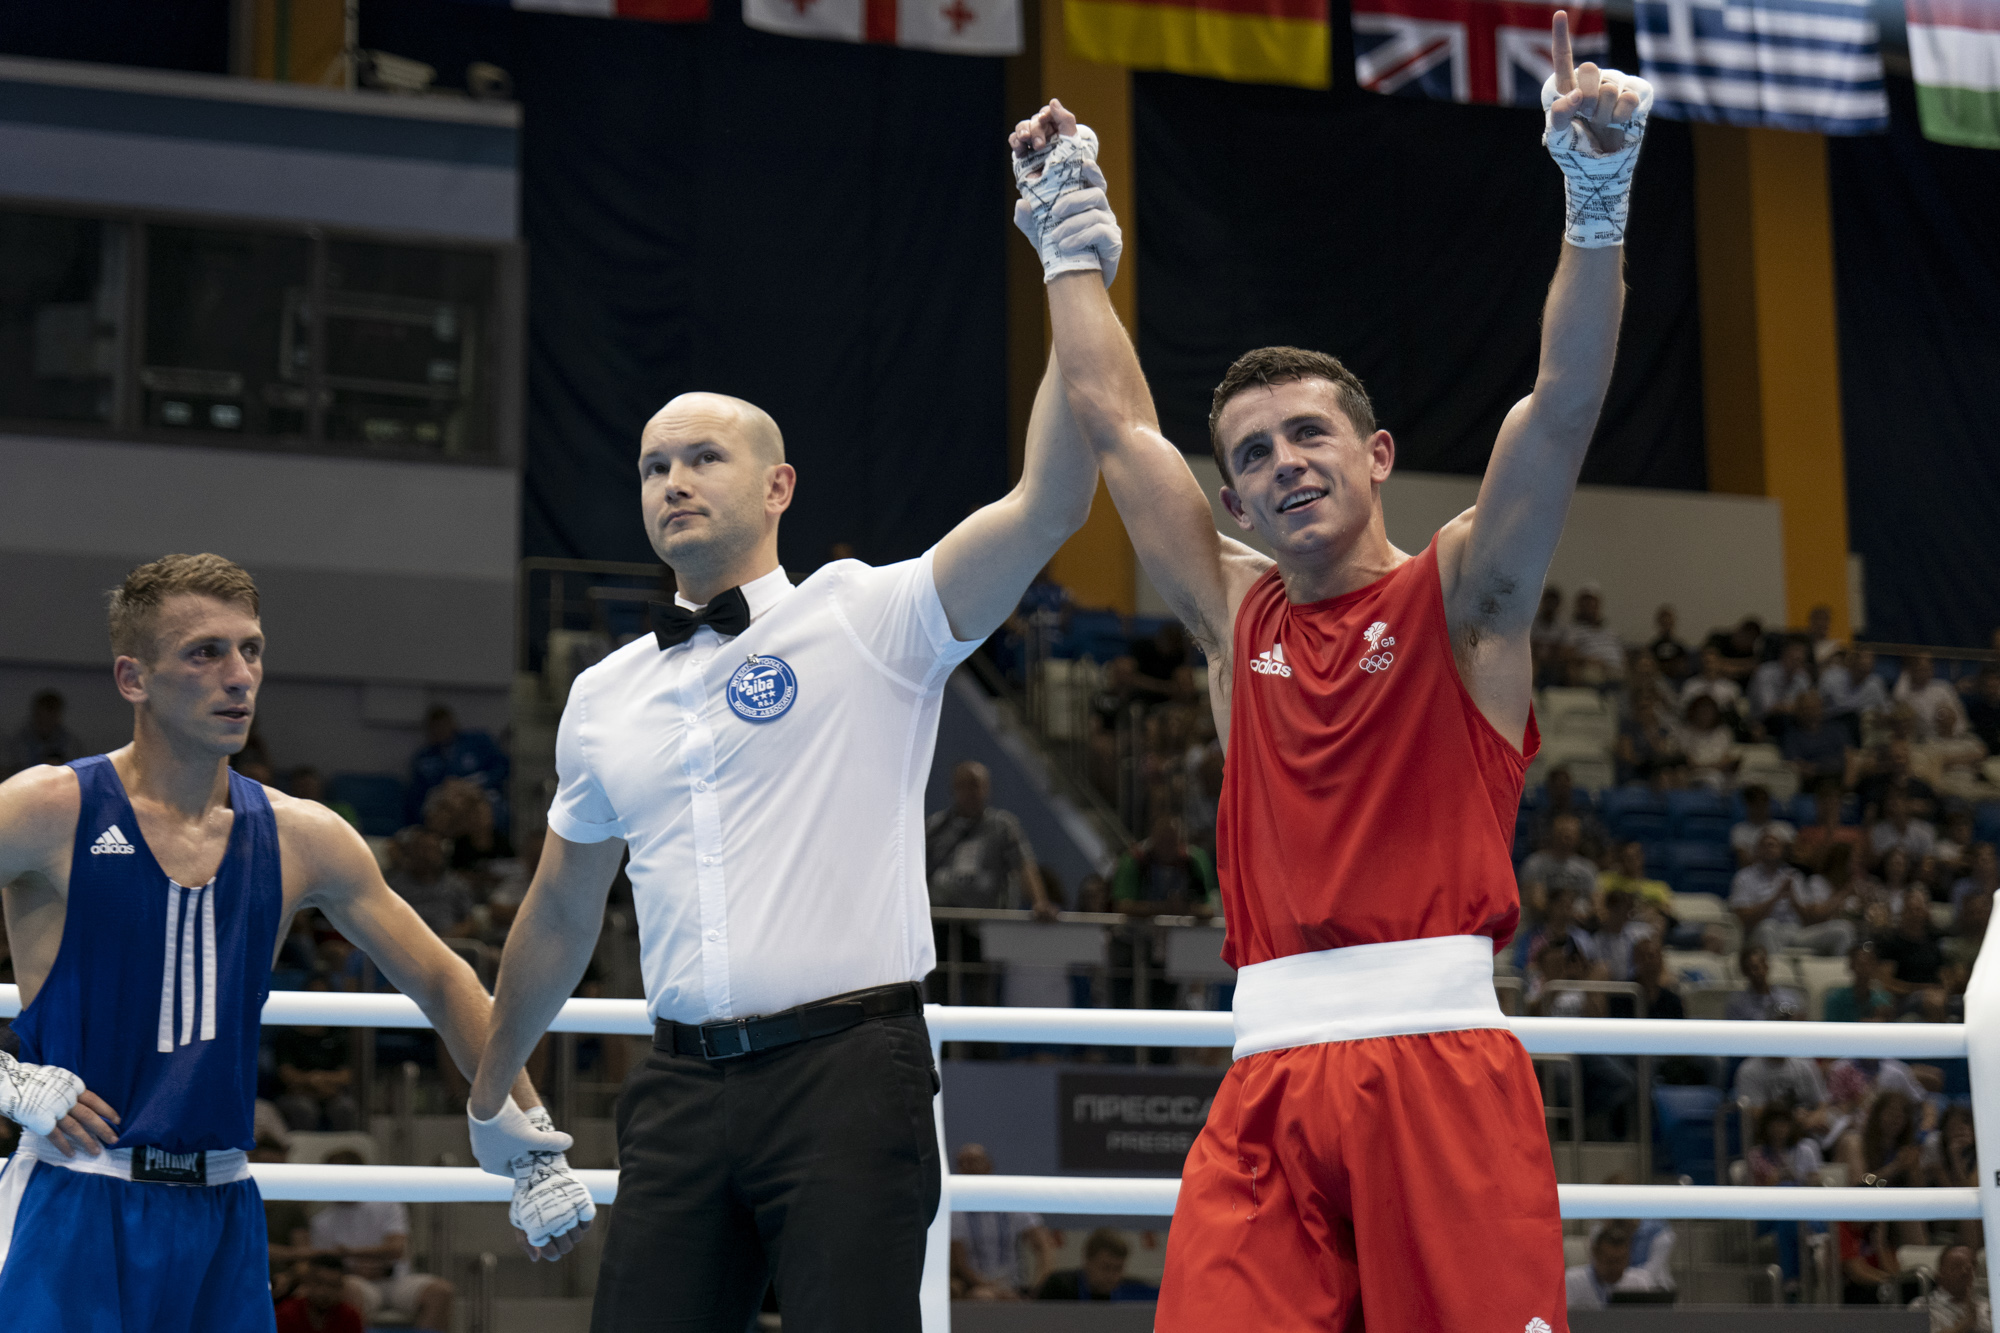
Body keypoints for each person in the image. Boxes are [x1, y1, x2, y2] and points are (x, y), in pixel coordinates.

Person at [1018, 33, 1654, 1328]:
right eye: (1253, 453)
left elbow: (1564, 401)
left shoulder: (1466, 601)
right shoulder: (1233, 615)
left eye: (1309, 433)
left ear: (1374, 455)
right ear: (1237, 493)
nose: (1285, 461)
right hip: (1266, 1084)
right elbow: (1116, 426)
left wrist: (1596, 200)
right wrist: (1067, 229)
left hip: (1440, 1074)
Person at [467, 351, 1100, 1328]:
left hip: (845, 1073)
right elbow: (559, 907)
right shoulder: (601, 697)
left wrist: (1069, 279)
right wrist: (490, 1089)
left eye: (702, 457)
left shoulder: (865, 617)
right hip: (677, 1089)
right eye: (652, 465)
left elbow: (1047, 504)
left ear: (777, 486)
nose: (671, 480)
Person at [0, 553, 588, 1331]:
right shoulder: (48, 809)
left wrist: (532, 1136)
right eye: (205, 652)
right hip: (73, 1199)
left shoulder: (303, 835)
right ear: (132, 678)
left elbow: (446, 980)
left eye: (252, 648)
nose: (239, 675)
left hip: (223, 1215)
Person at [308, 1150, 454, 1331]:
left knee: (440, 1291)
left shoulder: (388, 1204)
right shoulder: (322, 1221)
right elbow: (326, 1265)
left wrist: (349, 1253)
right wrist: (358, 1265)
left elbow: (396, 1249)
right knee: (346, 1289)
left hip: (396, 1279)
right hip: (356, 1281)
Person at [926, 761, 1056, 916]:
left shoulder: (1002, 826)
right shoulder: (935, 826)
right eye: (963, 785)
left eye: (975, 785)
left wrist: (1039, 903)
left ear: (986, 788)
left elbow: (1024, 865)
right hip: (941, 919)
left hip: (988, 922)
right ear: (953, 789)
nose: (969, 792)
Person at [948, 1144, 1056, 1298]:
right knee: (981, 1297)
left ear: (988, 1166)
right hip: (976, 1288)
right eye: (961, 1163)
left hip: (1016, 1285)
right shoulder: (955, 1211)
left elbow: (1044, 1246)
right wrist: (990, 1288)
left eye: (973, 1161)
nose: (968, 1167)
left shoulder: (1011, 1200)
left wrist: (1038, 1288)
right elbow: (960, 1263)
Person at [1731, 830, 1854, 957]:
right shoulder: (1744, 877)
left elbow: (1810, 919)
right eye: (1765, 845)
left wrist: (1794, 899)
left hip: (1796, 931)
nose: (1769, 849)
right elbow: (1743, 918)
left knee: (1842, 929)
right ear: (1757, 849)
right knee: (1767, 927)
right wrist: (1776, 896)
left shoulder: (1794, 876)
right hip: (1762, 933)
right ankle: (1777, 974)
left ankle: (1843, 975)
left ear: (1782, 851)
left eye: (1773, 845)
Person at [406, 704, 510, 831]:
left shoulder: (478, 742)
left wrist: (473, 784)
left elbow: (502, 767)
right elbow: (418, 796)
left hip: (479, 792)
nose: (440, 730)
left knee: (485, 809)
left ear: (453, 723)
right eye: (435, 727)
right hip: (443, 802)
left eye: (443, 725)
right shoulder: (423, 758)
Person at [1518, 812, 1601, 922]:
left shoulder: (1587, 868)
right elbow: (1535, 901)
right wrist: (1562, 914)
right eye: (1562, 835)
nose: (1566, 840)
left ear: (1578, 837)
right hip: (1542, 925)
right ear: (1553, 835)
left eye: (1571, 836)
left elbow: (1597, 905)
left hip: (1580, 926)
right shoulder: (1535, 863)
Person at [1034, 1229, 1159, 1301]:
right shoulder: (1058, 1287)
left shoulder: (1135, 1291)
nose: (1112, 1276)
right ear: (1087, 1261)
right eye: (1105, 1267)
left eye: (1118, 1268)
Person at [1564, 1220, 1662, 1309]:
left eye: (1620, 1261)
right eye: (1610, 1261)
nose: (1615, 1268)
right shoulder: (1571, 1281)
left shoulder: (1640, 1282)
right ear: (1595, 1255)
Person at [275, 1255, 366, 1333]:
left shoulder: (350, 1318)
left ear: (341, 1288)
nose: (325, 1291)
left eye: (332, 1285)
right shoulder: (286, 1314)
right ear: (307, 1282)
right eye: (319, 1283)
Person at [5, 688, 85, 776]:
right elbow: (7, 773)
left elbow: (79, 774)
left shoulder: (71, 744)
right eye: (42, 717)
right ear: (35, 714)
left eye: (51, 717)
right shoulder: (17, 742)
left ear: (58, 716)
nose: (46, 721)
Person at [1913, 1244, 1992, 1333]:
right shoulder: (1922, 1307)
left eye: (1970, 1267)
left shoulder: (1986, 1307)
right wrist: (1964, 1325)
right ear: (1939, 1276)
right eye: (1957, 1266)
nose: (1965, 1272)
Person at [1783, 690, 1853, 787]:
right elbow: (1793, 763)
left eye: (1814, 708)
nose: (1811, 712)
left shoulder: (1836, 728)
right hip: (1813, 780)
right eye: (1806, 708)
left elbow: (1848, 754)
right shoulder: (1792, 736)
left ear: (1822, 708)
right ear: (1798, 711)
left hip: (1839, 774)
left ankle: (1847, 793)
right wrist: (1815, 769)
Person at [1747, 639, 1814, 739]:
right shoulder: (1765, 672)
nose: (1797, 664)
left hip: (1792, 719)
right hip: (1761, 721)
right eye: (1794, 659)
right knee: (1785, 722)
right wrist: (1798, 708)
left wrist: (1799, 708)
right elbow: (1769, 708)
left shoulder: (1802, 677)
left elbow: (1809, 704)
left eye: (1800, 661)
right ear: (1784, 657)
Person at [1895, 653, 1966, 742]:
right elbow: (1898, 698)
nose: (1926, 673)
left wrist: (1953, 733)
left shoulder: (1943, 687)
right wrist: (1906, 671)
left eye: (1928, 669)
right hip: (1928, 741)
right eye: (1921, 670)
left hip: (1954, 738)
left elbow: (1960, 720)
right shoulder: (1907, 694)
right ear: (1911, 670)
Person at [1724, 945, 1806, 1022]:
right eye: (1748, 969)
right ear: (1744, 972)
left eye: (1756, 968)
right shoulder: (1737, 1004)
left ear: (1766, 966)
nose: (1753, 973)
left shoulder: (1791, 998)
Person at [1564, 583, 1625, 685]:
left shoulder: (1609, 631)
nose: (1589, 605)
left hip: (1618, 670)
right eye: (1586, 602)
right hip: (1595, 669)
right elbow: (1567, 654)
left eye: (1592, 601)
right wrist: (1589, 660)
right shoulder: (1573, 630)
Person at [1823, 941, 1895, 1022]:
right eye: (1860, 964)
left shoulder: (1884, 1000)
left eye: (1868, 964)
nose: (1864, 969)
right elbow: (1830, 1028)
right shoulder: (1836, 998)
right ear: (1851, 965)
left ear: (1875, 966)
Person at [1729, 785, 1795, 867]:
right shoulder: (1739, 830)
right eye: (1756, 804)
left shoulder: (1785, 828)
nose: (1761, 807)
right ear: (1749, 805)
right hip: (1752, 877)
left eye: (1764, 803)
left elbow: (1793, 858)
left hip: (1782, 874)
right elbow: (1744, 862)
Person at [1646, 605, 1690, 680]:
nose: (1666, 627)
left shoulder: (1680, 647)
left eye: (1669, 623)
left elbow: (1684, 668)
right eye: (1664, 623)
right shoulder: (1653, 647)